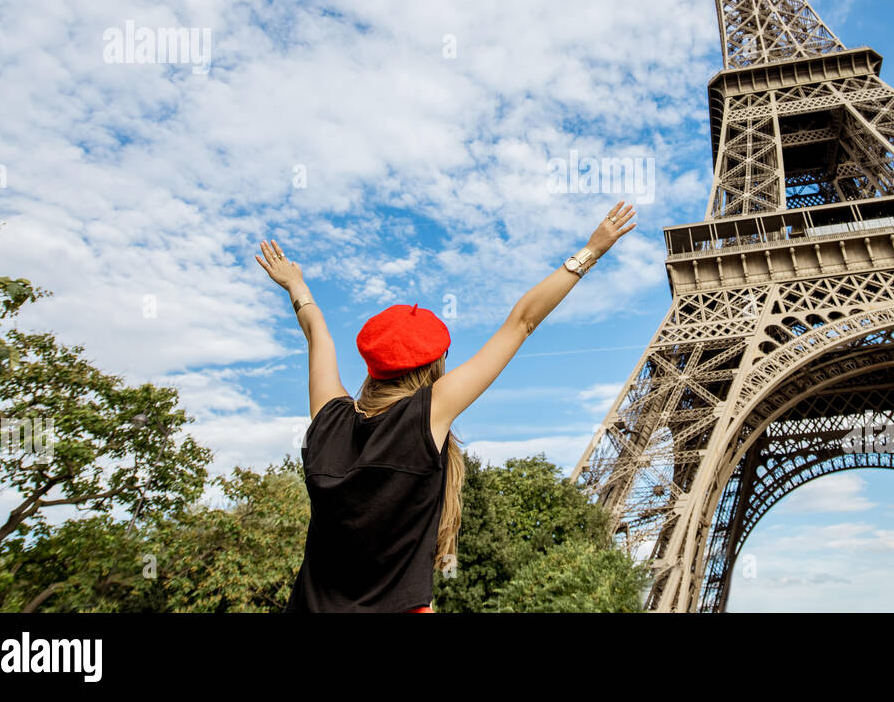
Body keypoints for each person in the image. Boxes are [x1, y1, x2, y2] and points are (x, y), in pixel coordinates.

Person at [254, 201, 637, 612]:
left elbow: (318, 335)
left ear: (371, 364)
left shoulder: (329, 421)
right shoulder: (426, 415)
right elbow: (522, 322)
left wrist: (297, 286)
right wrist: (590, 251)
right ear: (434, 365)